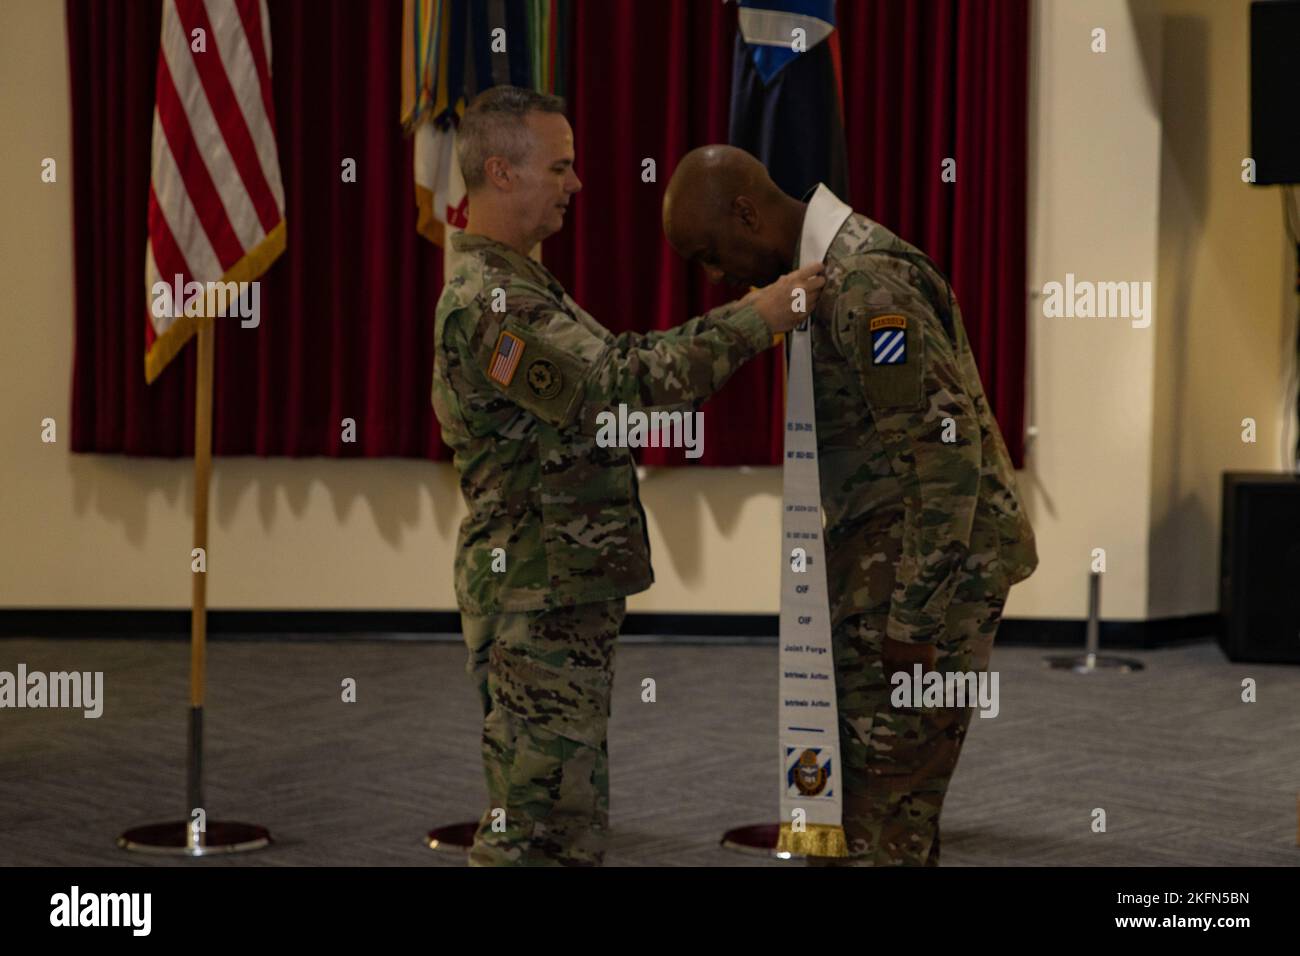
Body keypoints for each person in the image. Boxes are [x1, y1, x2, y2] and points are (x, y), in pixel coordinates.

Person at [431, 89, 825, 866]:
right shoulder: (492, 304)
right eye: (560, 167)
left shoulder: (522, 283)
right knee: (534, 831)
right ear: (501, 173)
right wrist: (759, 318)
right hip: (535, 597)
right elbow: (617, 383)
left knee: (565, 820)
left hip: (557, 589)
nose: (576, 184)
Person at [662, 144, 1038, 866]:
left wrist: (915, 622)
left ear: (747, 213)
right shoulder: (824, 273)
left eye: (711, 253)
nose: (714, 275)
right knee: (874, 806)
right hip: (886, 571)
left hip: (927, 585)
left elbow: (944, 457)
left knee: (878, 815)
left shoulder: (864, 285)